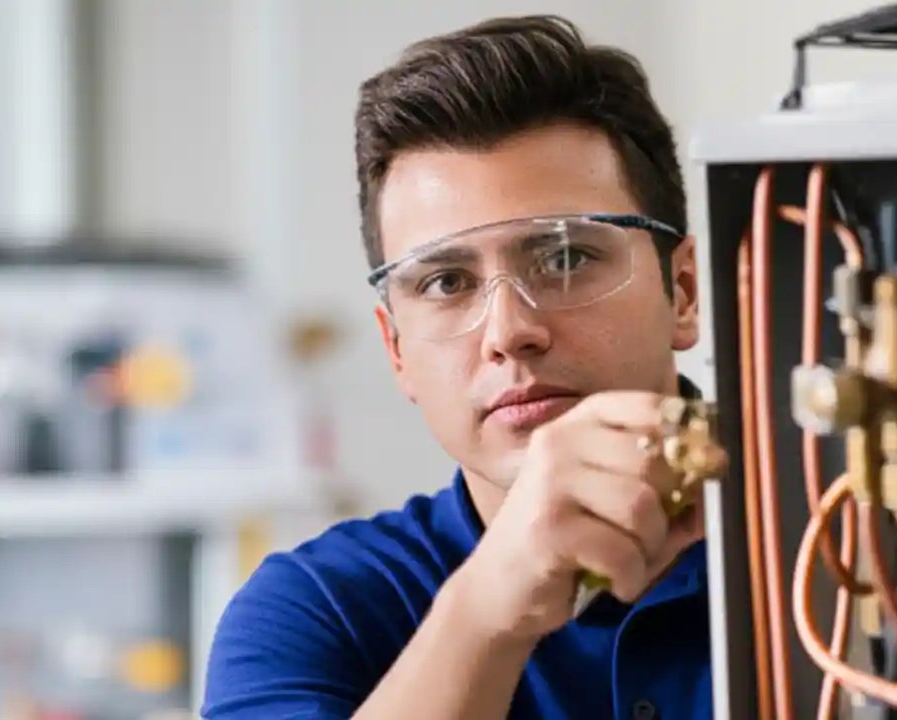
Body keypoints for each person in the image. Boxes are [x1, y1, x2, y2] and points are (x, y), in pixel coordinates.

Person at [203, 14, 712, 719]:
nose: (510, 333)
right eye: (446, 282)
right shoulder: (316, 613)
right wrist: (487, 610)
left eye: (565, 258)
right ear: (396, 350)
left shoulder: (844, 548)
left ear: (681, 291)